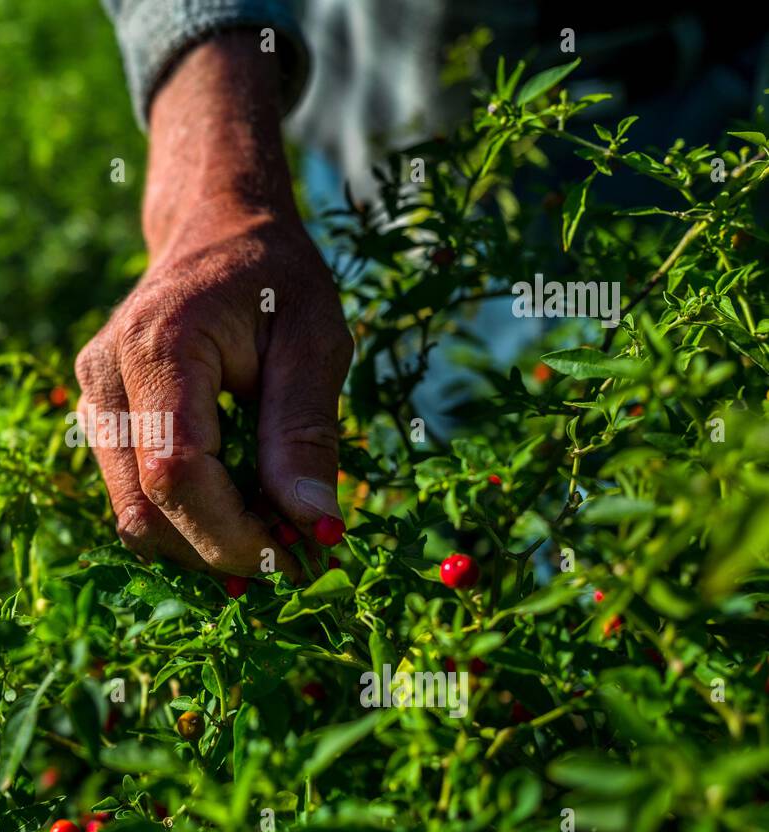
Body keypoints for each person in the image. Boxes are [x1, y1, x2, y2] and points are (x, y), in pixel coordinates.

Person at [82, 0, 769, 577]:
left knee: (698, 518)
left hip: (722, 119)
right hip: (383, 135)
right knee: (406, 468)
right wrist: (215, 184)